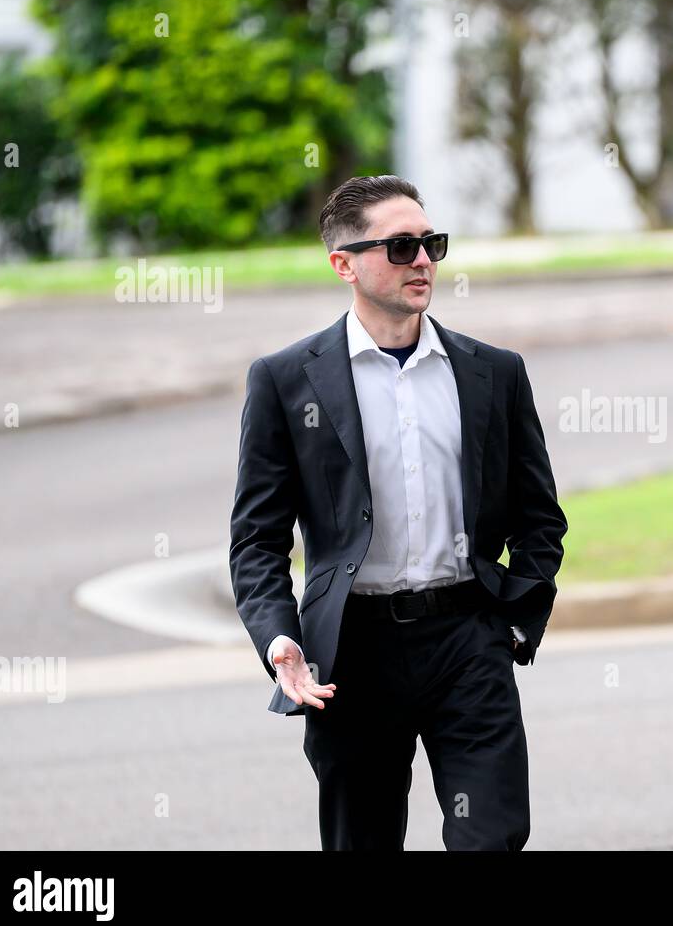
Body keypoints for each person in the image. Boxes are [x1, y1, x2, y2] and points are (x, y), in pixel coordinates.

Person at [229, 174, 566, 850]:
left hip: (469, 641)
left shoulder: (494, 373)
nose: (423, 261)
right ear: (343, 263)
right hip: (353, 654)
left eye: (431, 243)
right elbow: (256, 540)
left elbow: (540, 518)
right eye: (402, 246)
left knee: (492, 836)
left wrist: (513, 626)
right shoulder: (286, 380)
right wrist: (278, 638)